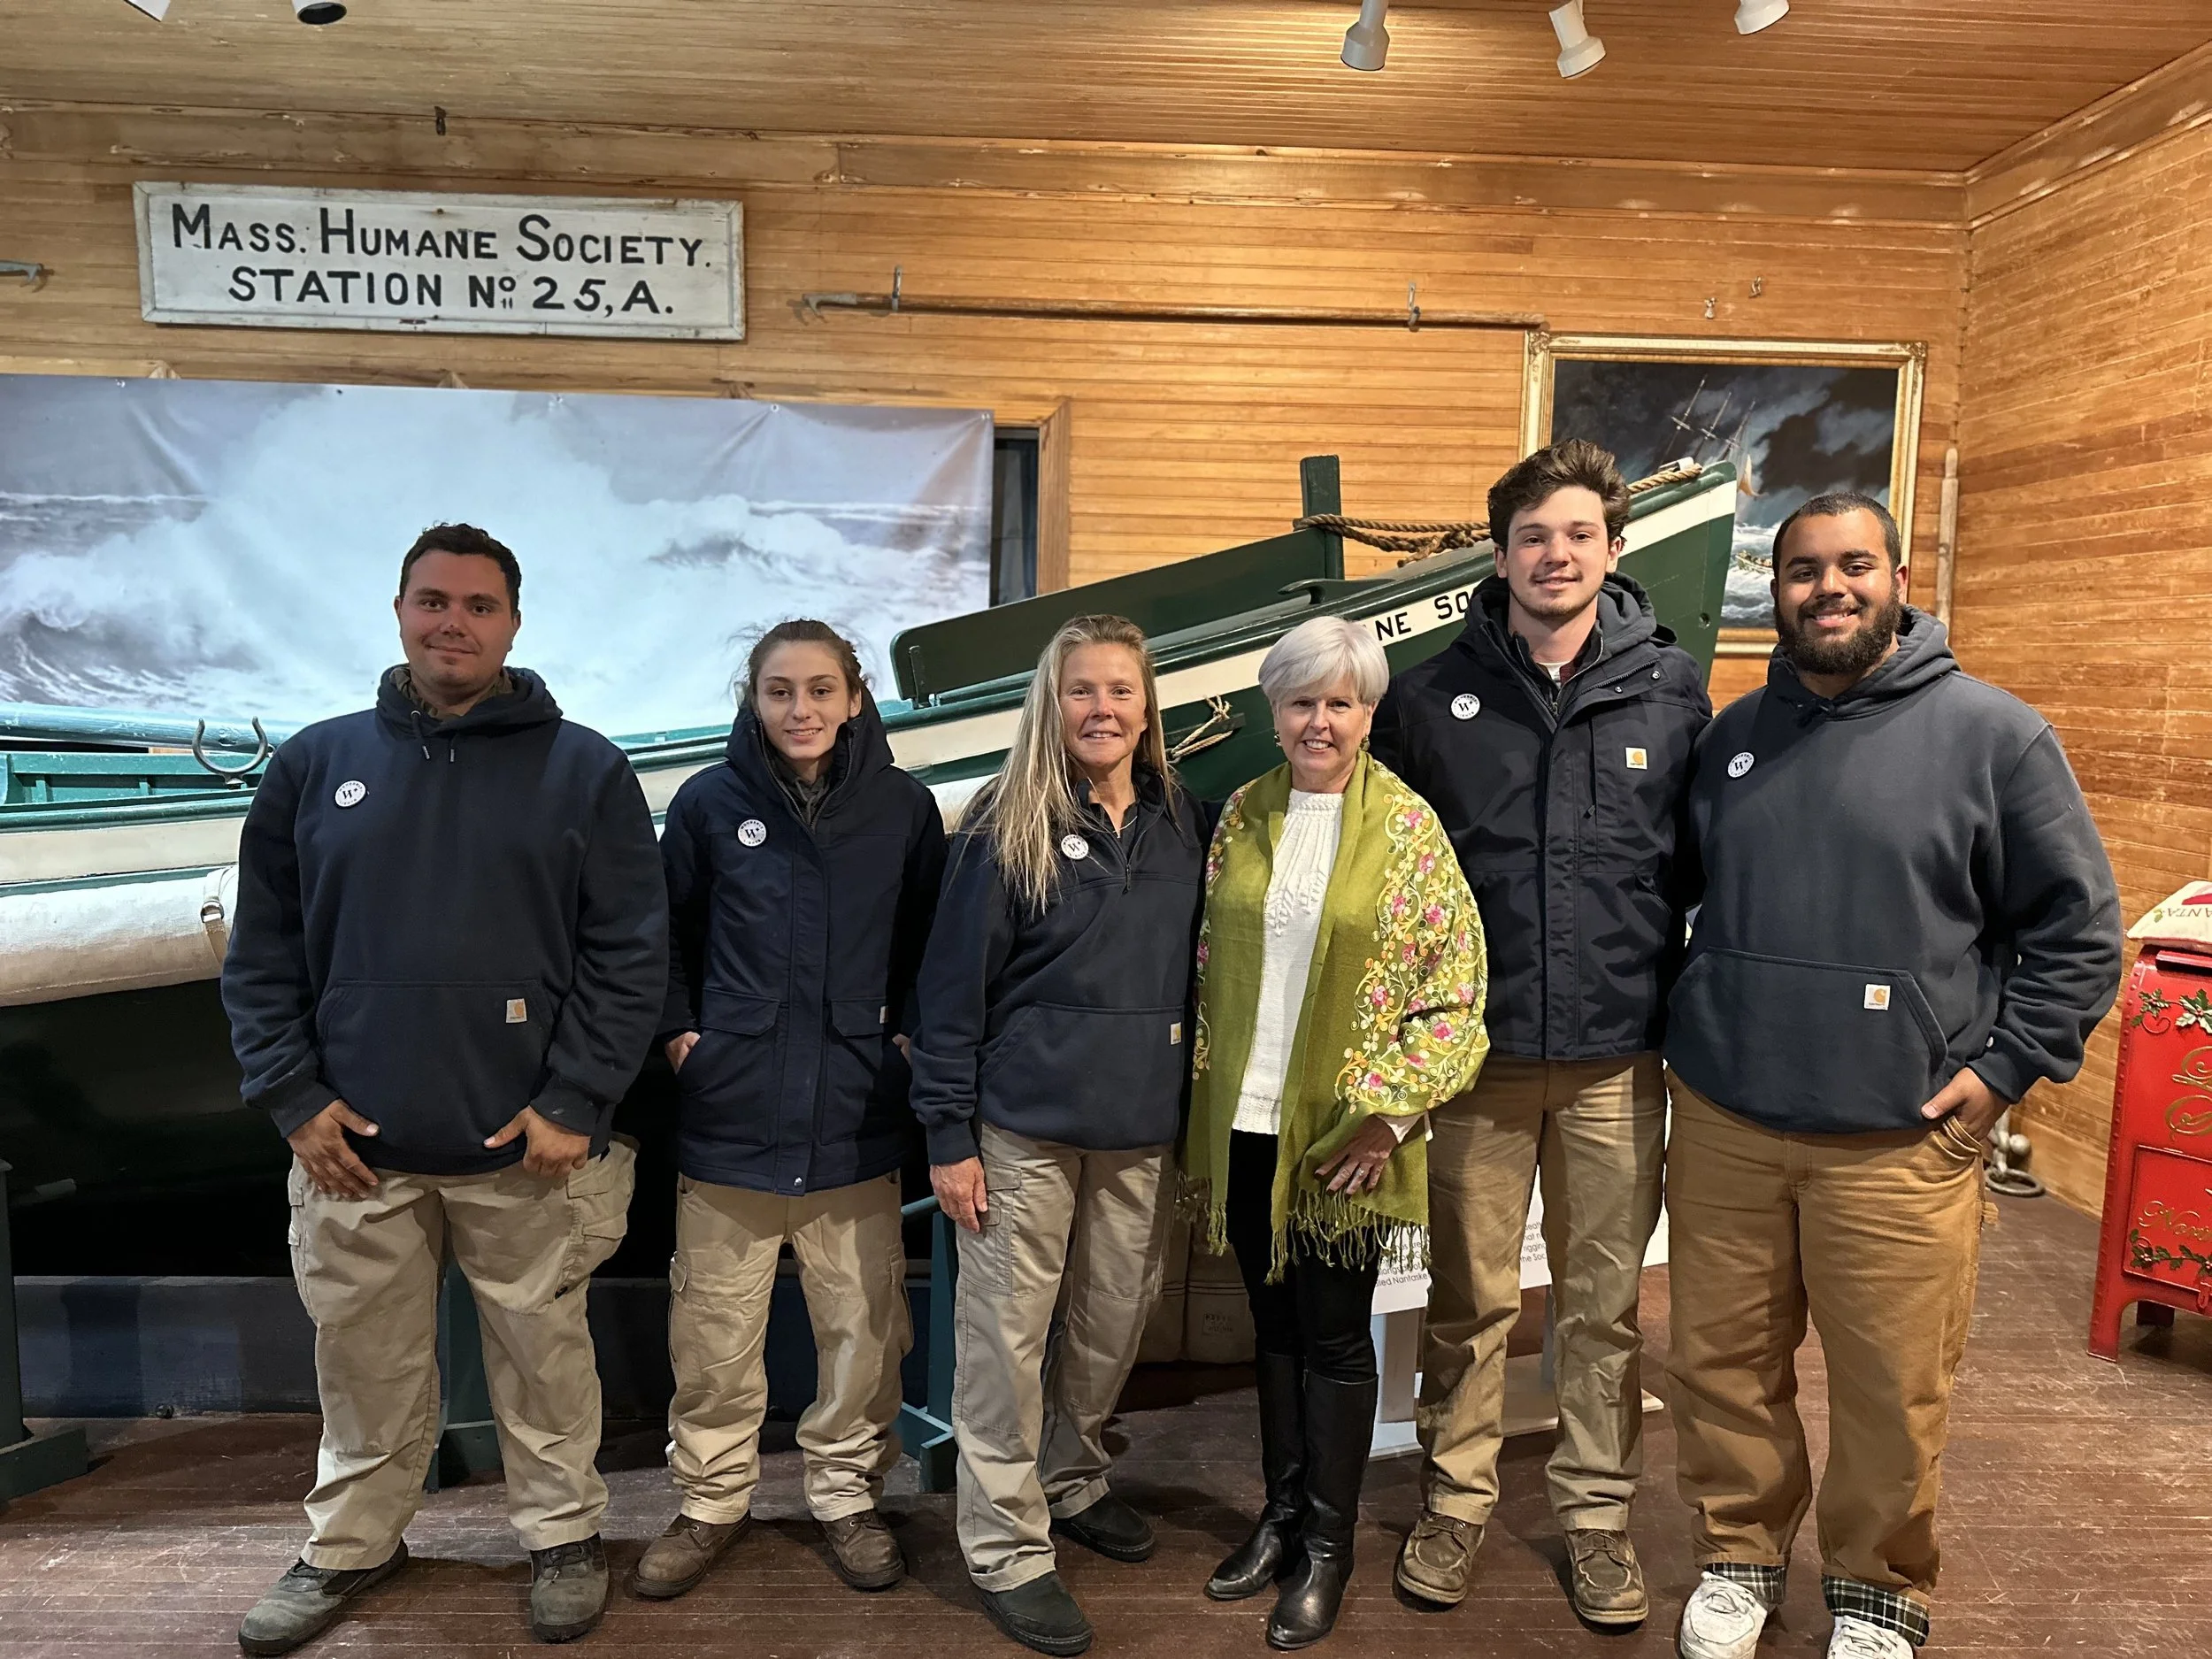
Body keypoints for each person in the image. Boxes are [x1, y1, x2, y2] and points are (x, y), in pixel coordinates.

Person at [1663, 494, 2120, 1659]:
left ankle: (1877, 1586)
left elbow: (2077, 927)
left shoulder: (1994, 735)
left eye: (1852, 564)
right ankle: (1738, 1549)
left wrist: (2008, 1066)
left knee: (1890, 1381)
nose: (1829, 587)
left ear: (1897, 574)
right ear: (1776, 587)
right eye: (1803, 568)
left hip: (1901, 1130)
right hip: (1725, 1113)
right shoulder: (1732, 737)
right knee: (1721, 1364)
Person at [222, 524, 667, 1654]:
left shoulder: (586, 769)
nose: (451, 623)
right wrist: (289, 1093)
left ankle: (564, 1537)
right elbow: (265, 952)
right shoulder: (315, 765)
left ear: (514, 623)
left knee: (543, 1356)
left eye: (476, 605)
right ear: (398, 610)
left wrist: (576, 1099)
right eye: (432, 601)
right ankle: (351, 1547)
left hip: (527, 1148)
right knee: (362, 1364)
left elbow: (630, 954)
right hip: (351, 1149)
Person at [1367, 439, 1709, 1625]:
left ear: (1612, 549)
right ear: (1500, 552)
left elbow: (1702, 872)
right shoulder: (1428, 699)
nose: (1554, 555)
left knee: (1605, 1304)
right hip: (1477, 1060)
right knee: (1467, 1300)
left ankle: (1597, 1516)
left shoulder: (1673, 693)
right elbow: (1394, 876)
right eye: (1531, 536)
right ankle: (1455, 1502)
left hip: (1620, 1059)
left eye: (1576, 534)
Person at [1183, 616, 1488, 1650]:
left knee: (1331, 1343)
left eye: (1342, 702)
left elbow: (1454, 994)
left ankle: (1327, 1545)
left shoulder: (1406, 831)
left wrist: (1388, 1120)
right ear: (1274, 713)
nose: (1322, 720)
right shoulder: (1239, 815)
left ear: (1368, 713)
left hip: (1342, 1141)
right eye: (1303, 701)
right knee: (1267, 1333)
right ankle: (1275, 1517)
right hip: (1245, 1122)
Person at [908, 614, 1206, 1657]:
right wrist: (949, 1135)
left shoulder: (1183, 821)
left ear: (1146, 706)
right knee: (1004, 1343)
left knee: (1110, 1328)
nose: (1102, 710)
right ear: (1051, 704)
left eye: (1120, 691)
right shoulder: (1005, 822)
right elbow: (949, 997)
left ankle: (1073, 1480)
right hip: (1020, 1132)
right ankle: (1005, 1549)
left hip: (1138, 1133)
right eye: (1081, 691)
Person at [636, 619, 946, 1599]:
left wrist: (903, 1041)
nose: (800, 710)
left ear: (855, 698)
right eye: (779, 691)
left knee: (861, 1330)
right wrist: (685, 1035)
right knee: (713, 1331)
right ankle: (711, 1500)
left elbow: (928, 942)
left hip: (854, 1115)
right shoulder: (706, 806)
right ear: (753, 699)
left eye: (820, 690)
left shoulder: (902, 811)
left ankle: (849, 1496)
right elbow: (664, 936)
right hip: (731, 1118)